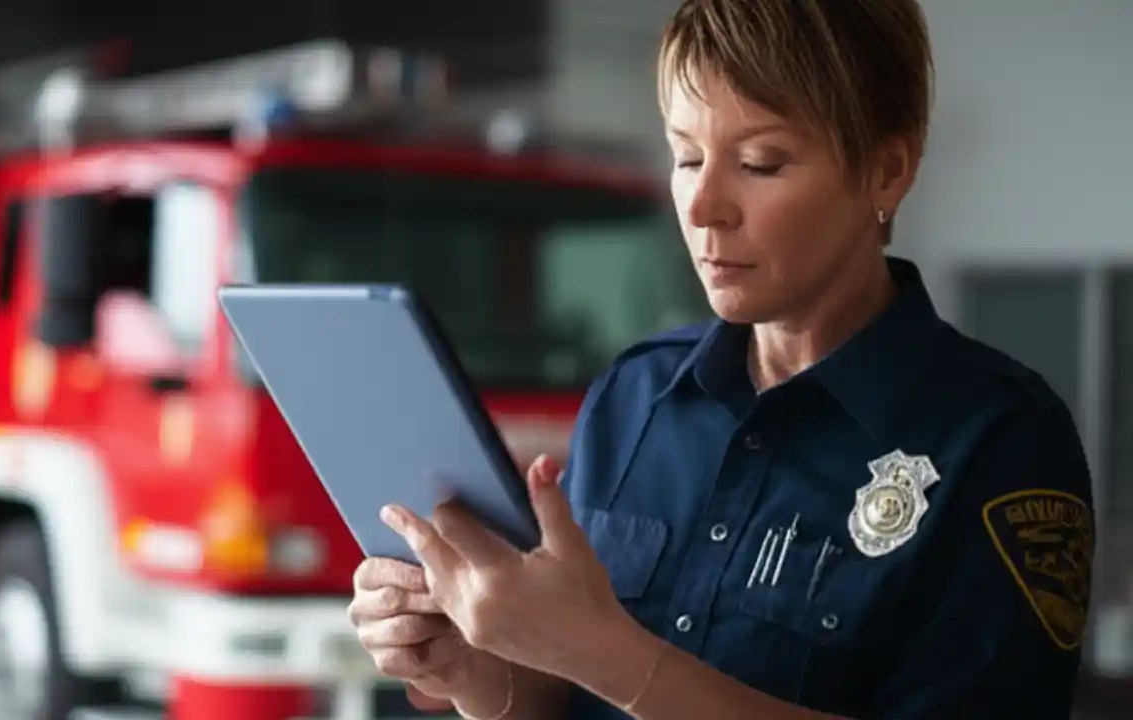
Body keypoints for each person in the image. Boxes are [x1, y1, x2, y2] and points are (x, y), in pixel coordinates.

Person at [348, 1, 1096, 717]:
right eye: (686, 156)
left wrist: (607, 653)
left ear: (887, 170)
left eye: (760, 164)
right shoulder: (636, 396)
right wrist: (477, 664)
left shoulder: (1000, 440)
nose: (703, 204)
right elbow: (557, 700)